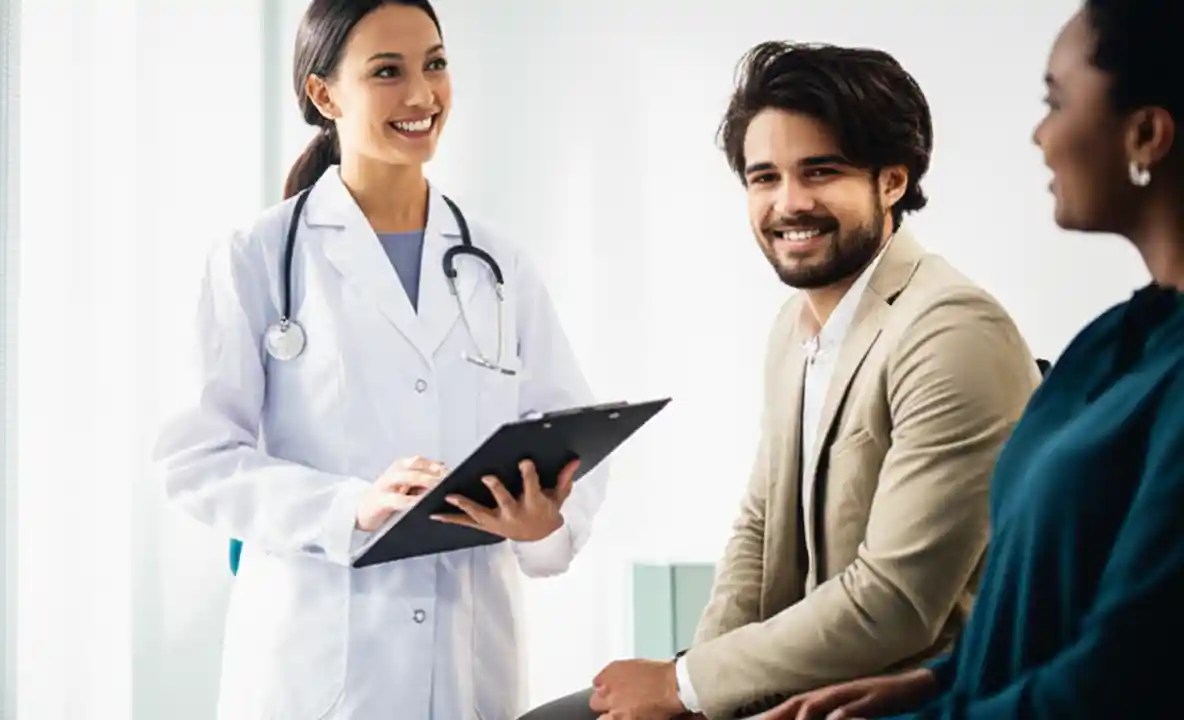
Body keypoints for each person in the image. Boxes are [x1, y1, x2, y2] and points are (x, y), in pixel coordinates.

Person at [520, 42, 1040, 720]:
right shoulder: (795, 330)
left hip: (907, 693)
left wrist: (682, 684)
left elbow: (895, 603)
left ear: (892, 182)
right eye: (764, 178)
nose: (788, 203)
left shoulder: (952, 331)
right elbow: (759, 529)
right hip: (805, 677)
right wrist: (697, 694)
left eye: (820, 171)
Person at [152, 1, 608, 718]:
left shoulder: (497, 264)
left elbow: (570, 433)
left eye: (435, 64)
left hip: (468, 663)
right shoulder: (256, 257)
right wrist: (350, 508)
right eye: (387, 72)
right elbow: (196, 459)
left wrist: (544, 524)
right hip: (315, 666)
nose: (422, 94)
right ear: (325, 94)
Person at [759, 2, 1184, 719]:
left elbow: (1123, 677)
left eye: (1055, 102)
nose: (1040, 136)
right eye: (764, 176)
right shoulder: (1114, 341)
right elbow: (1048, 602)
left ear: (1146, 133)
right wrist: (939, 681)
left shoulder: (957, 326)